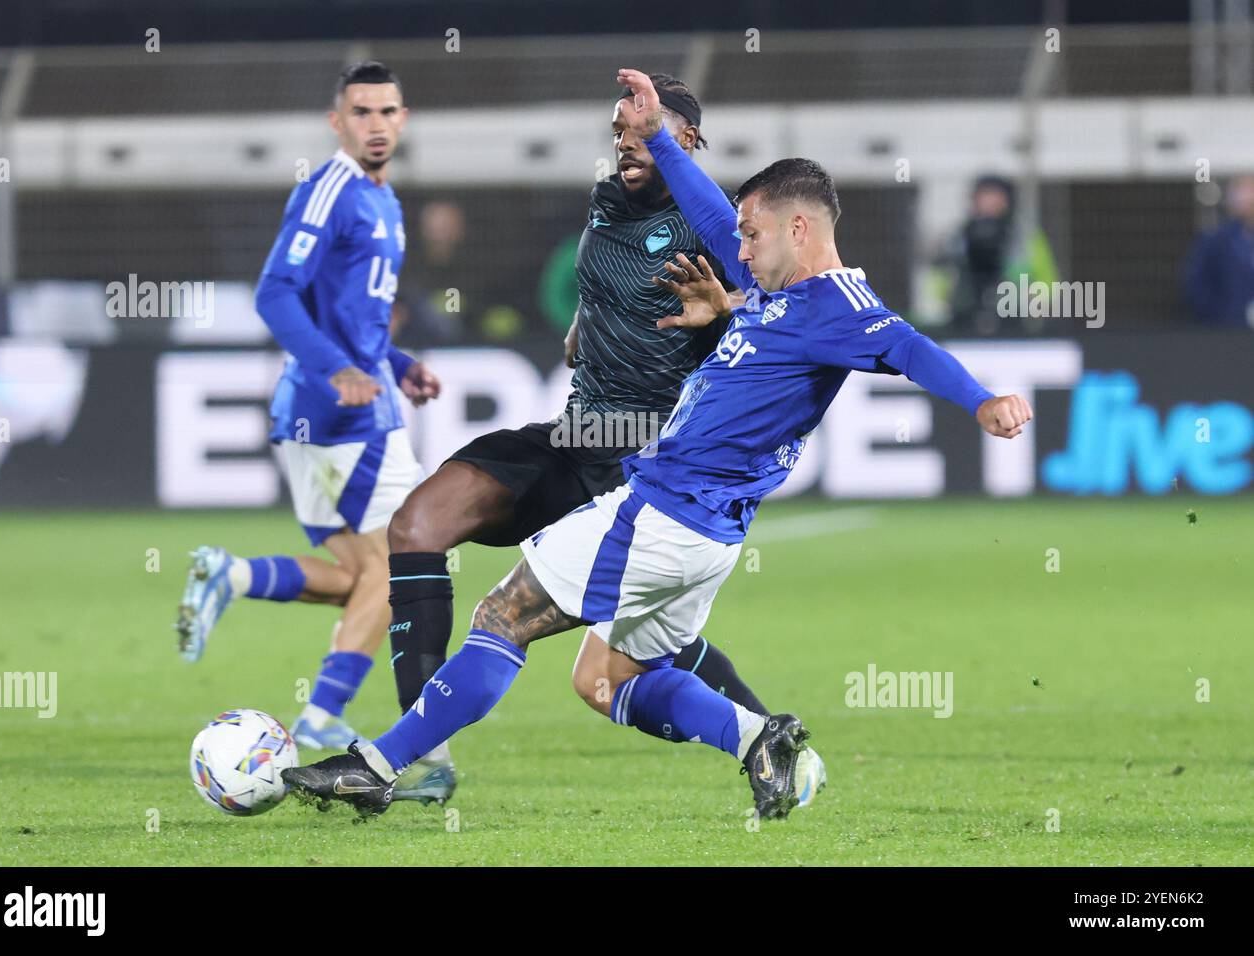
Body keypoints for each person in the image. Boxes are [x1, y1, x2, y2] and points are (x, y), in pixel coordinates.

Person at [280, 68, 1032, 821]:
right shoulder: (774, 291)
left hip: (663, 508)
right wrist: (660, 143)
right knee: (604, 681)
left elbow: (908, 347)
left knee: (504, 617)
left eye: (751, 234)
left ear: (799, 230)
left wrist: (983, 401)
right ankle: (757, 737)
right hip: (707, 535)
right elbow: (712, 213)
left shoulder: (834, 307)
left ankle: (380, 764)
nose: (735, 246)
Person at [373, 72, 815, 806]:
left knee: (634, 658)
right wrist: (588, 318)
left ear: (689, 142)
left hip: (648, 457)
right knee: (417, 524)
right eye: (618, 129)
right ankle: (423, 753)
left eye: (644, 127)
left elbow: (785, 312)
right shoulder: (606, 203)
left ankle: (768, 740)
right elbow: (609, 276)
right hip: (576, 432)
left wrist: (726, 309)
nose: (626, 141)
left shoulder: (721, 224)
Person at [174, 63, 447, 805]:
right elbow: (274, 293)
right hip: (339, 416)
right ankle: (324, 718)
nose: (376, 124)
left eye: (388, 110)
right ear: (337, 122)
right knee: (404, 563)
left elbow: (350, 318)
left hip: (350, 408)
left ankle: (231, 575)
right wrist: (338, 373)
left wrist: (396, 362)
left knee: (368, 576)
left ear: (405, 115)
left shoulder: (383, 202)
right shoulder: (330, 189)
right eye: (361, 112)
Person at [1184, 174, 1254, 328]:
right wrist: (1224, 315)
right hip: (1229, 331)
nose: (1244, 197)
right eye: (1239, 189)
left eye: (1250, 189)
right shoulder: (1216, 240)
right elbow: (1196, 285)